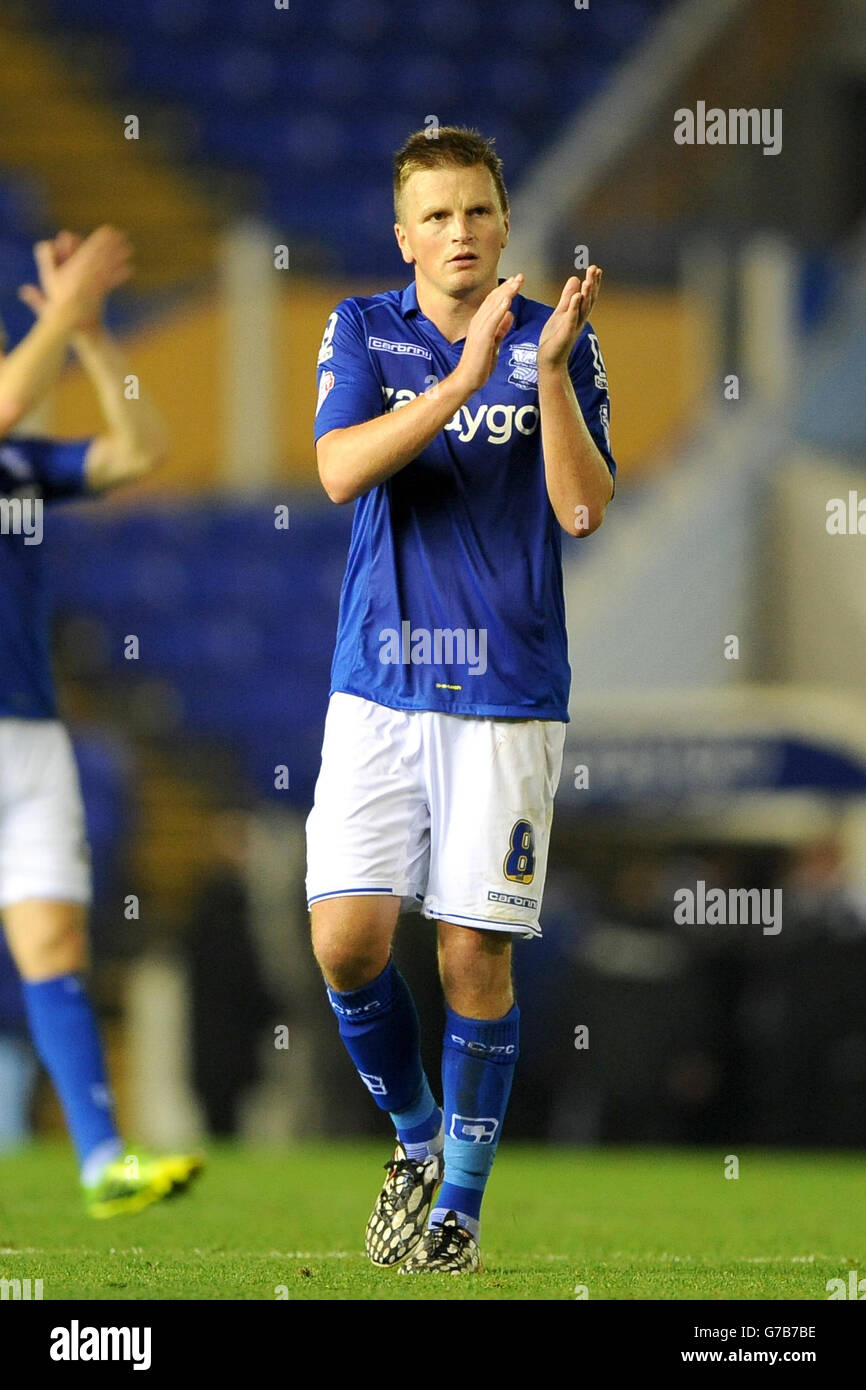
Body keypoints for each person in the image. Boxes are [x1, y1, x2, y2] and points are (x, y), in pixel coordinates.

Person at [306, 127, 615, 1272]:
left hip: (506, 691)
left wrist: (537, 377)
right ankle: (417, 1136)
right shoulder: (363, 329)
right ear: (404, 236)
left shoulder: (555, 342)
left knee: (473, 960)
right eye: (435, 216)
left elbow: (582, 513)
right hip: (378, 685)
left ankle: (459, 1217)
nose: (459, 233)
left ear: (501, 221)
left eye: (477, 211)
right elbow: (339, 471)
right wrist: (463, 381)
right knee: (345, 942)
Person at [0, 226, 203, 1216]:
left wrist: (92, 341)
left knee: (56, 952)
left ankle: (100, 1161)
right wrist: (69, 310)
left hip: (33, 738)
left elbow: (140, 445)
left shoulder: (23, 468)